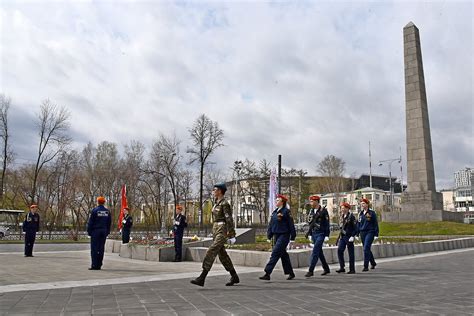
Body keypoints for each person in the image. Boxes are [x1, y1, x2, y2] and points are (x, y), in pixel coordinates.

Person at [191, 183, 239, 287]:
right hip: (216, 229)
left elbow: (229, 219)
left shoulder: (225, 203)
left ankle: (202, 277)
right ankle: (234, 276)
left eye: (215, 190)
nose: (213, 192)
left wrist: (231, 235)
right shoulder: (216, 203)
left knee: (211, 250)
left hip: (222, 230)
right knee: (222, 255)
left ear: (220, 191)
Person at [259, 194, 296, 281]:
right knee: (283, 255)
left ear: (282, 202)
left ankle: (267, 273)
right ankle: (290, 272)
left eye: (278, 200)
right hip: (276, 235)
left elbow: (291, 225)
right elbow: (271, 225)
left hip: (284, 235)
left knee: (275, 253)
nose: (276, 201)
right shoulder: (275, 212)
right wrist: (269, 235)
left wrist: (293, 237)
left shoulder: (286, 212)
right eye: (276, 200)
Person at [305, 195, 330, 277]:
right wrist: (310, 234)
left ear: (316, 201)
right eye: (310, 201)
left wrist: (327, 235)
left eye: (312, 201)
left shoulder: (323, 211)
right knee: (319, 252)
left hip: (321, 233)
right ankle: (326, 268)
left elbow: (327, 224)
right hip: (314, 233)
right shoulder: (311, 211)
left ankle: (311, 270)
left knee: (315, 251)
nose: (311, 203)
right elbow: (310, 223)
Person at [87, 196, 111, 270]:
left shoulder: (95, 210)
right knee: (101, 248)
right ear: (104, 202)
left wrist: (89, 232)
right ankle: (99, 264)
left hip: (95, 231)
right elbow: (109, 223)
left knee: (94, 249)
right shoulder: (107, 211)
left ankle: (94, 265)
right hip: (103, 232)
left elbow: (91, 222)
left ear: (98, 202)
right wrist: (107, 232)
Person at [357, 198, 379, 272]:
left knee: (366, 248)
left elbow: (375, 223)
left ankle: (365, 266)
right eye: (361, 203)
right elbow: (358, 224)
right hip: (362, 232)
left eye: (363, 203)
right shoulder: (360, 214)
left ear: (367, 204)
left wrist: (376, 234)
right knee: (367, 249)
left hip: (370, 232)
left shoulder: (372, 213)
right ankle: (373, 263)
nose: (362, 205)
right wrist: (357, 234)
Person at [336, 202, 357, 274]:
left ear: (347, 209)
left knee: (351, 253)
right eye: (341, 208)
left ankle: (352, 269)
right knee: (339, 250)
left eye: (344, 208)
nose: (342, 209)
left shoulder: (351, 217)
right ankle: (342, 267)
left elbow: (356, 228)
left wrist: (353, 236)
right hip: (343, 237)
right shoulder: (341, 216)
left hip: (349, 237)